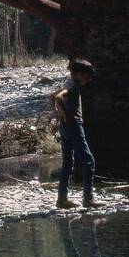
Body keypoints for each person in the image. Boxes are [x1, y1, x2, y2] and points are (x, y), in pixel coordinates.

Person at [51, 57, 97, 209]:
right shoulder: (73, 86)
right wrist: (62, 113)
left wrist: (58, 114)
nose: (88, 79)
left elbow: (52, 96)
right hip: (73, 126)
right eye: (86, 75)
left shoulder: (68, 82)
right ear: (78, 73)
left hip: (65, 126)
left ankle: (62, 199)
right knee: (89, 161)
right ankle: (88, 199)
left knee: (67, 163)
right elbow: (58, 97)